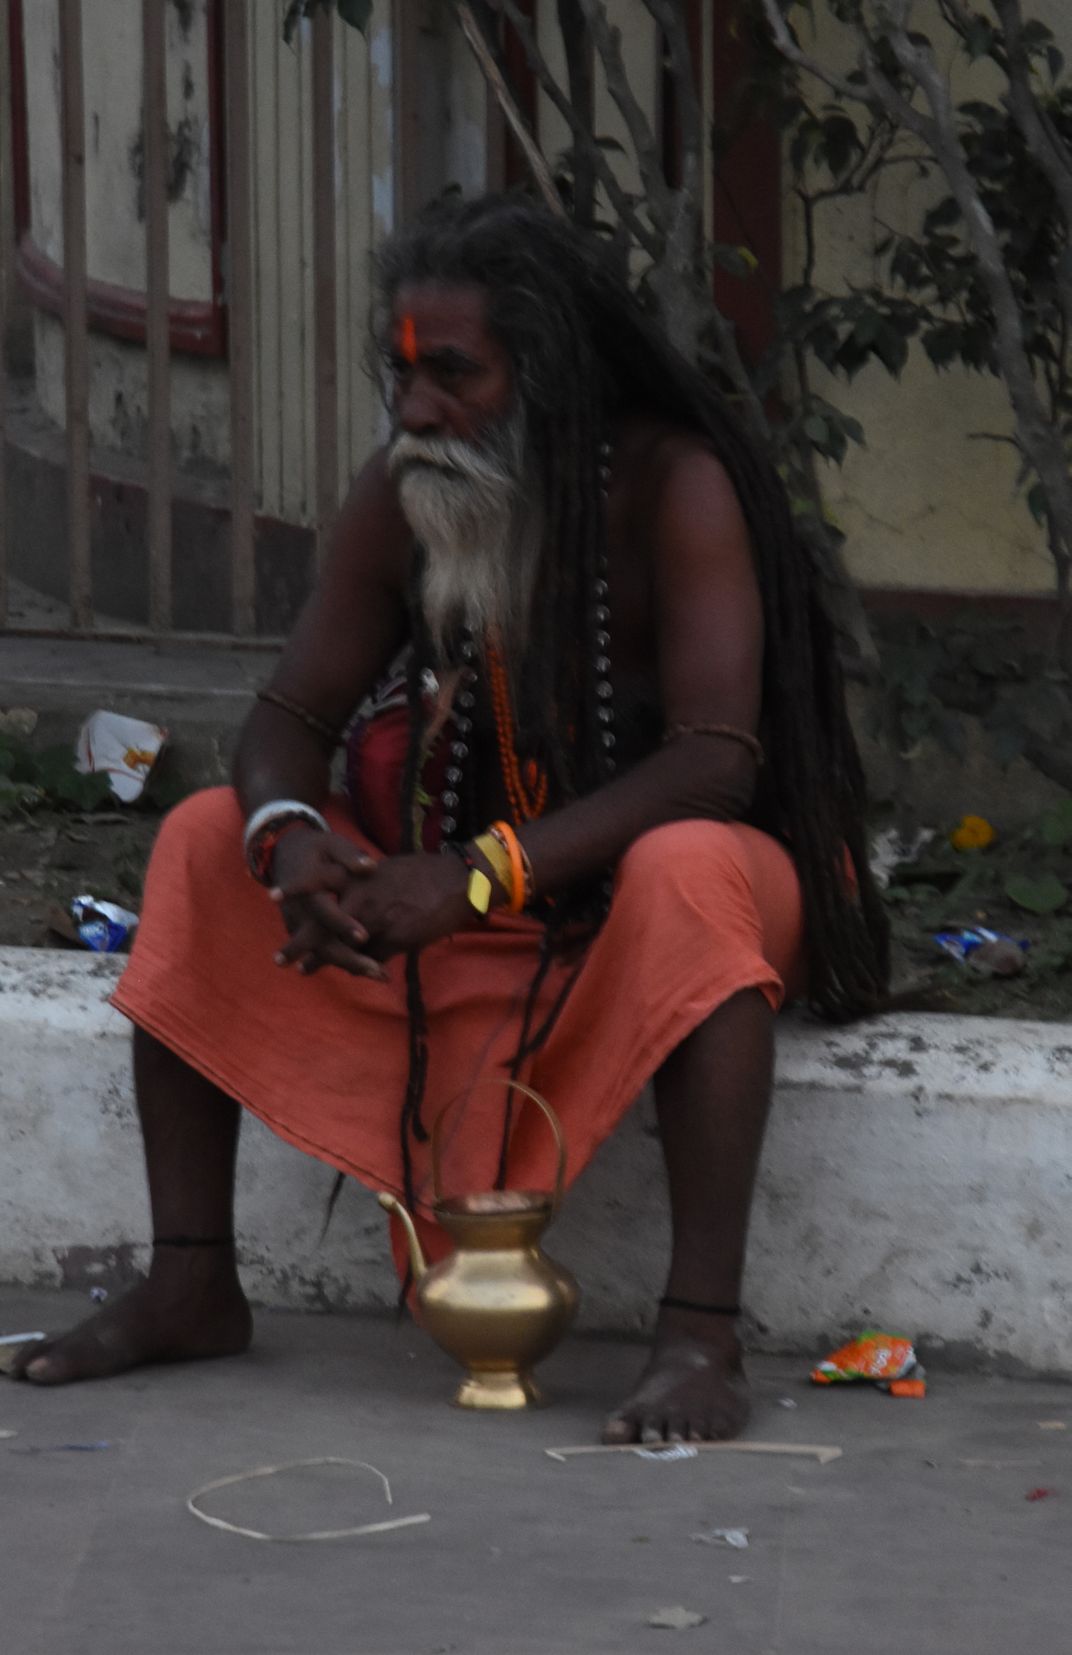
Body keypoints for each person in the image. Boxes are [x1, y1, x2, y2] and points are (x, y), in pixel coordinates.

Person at [14, 195, 888, 1442]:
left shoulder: (676, 486)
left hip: (645, 915)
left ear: (551, 375)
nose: (416, 409)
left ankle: (700, 1337)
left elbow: (714, 763)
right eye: (403, 375)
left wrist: (478, 874)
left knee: (692, 865)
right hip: (474, 915)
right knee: (206, 837)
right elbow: (287, 717)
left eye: (454, 376)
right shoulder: (406, 489)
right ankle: (192, 1281)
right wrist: (290, 837)